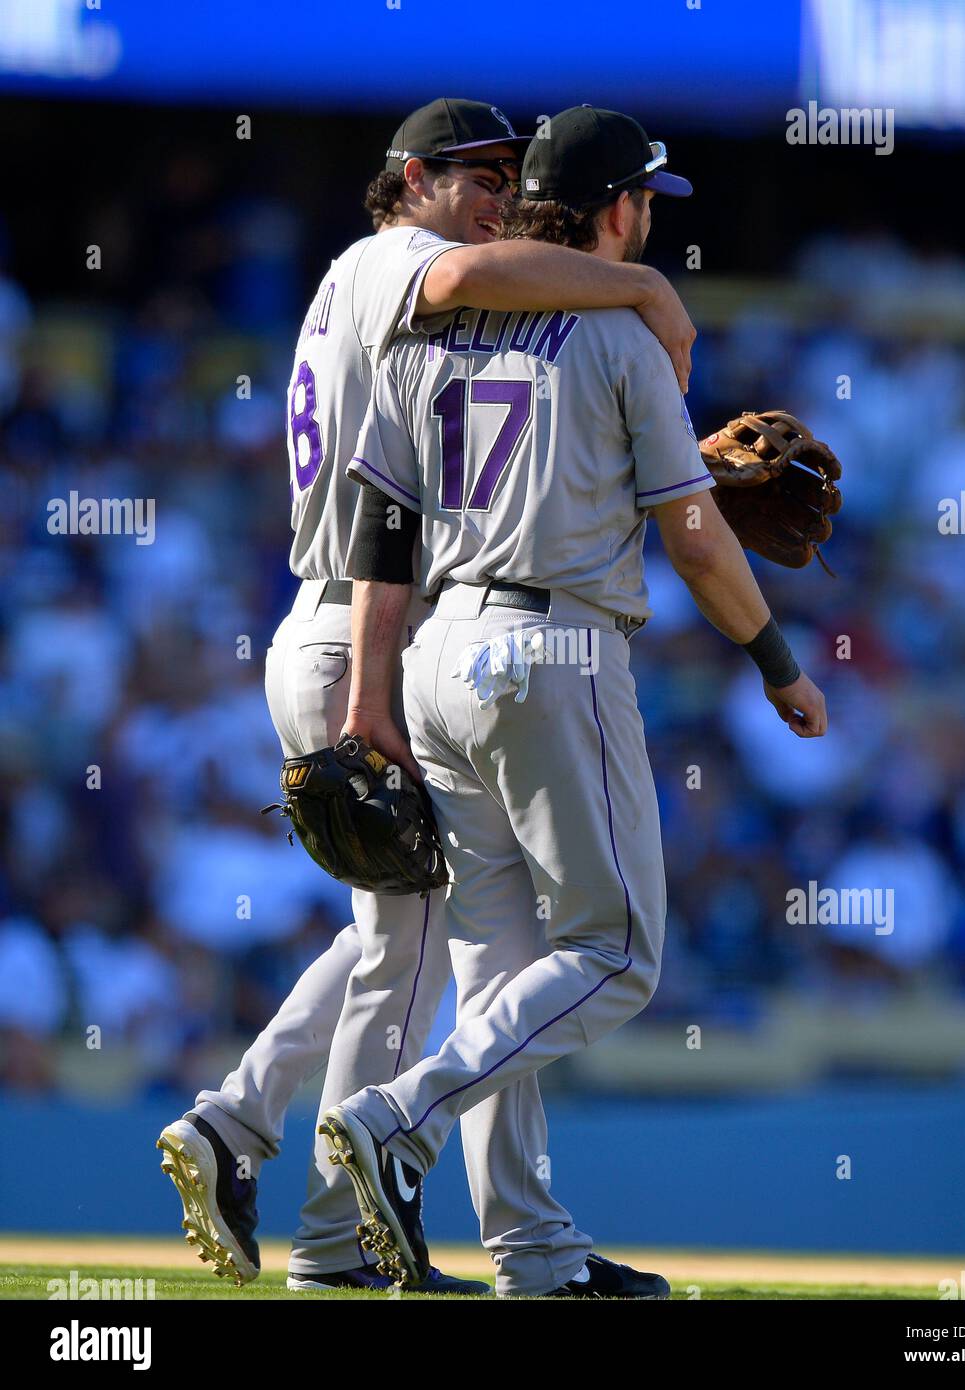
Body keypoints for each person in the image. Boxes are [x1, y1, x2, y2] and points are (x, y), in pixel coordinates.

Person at [157, 97, 697, 1295]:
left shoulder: (375, 276)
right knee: (413, 965)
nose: (497, 191)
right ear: (407, 181)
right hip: (363, 622)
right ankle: (335, 1244)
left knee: (402, 946)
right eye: (471, 172)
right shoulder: (403, 262)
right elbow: (466, 279)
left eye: (509, 171)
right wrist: (650, 296)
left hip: (360, 617)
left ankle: (242, 1128)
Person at [321, 104, 828, 1300]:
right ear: (615, 208)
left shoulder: (421, 327)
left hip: (437, 654)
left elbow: (381, 527)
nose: (652, 219)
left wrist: (371, 691)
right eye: (648, 199)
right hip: (552, 653)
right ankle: (401, 1114)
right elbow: (699, 544)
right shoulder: (622, 337)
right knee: (617, 957)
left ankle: (534, 1252)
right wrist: (778, 663)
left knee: (504, 975)